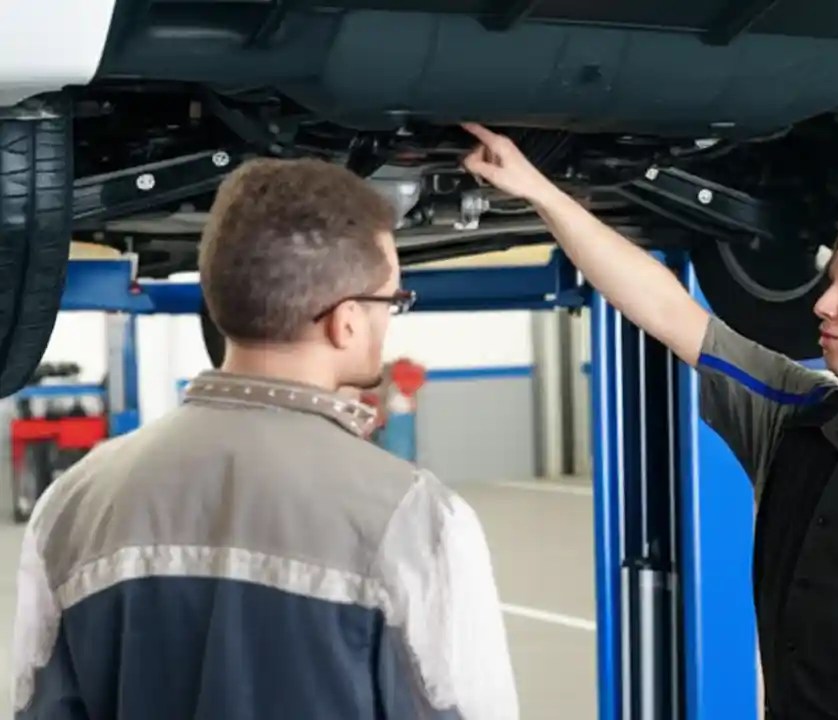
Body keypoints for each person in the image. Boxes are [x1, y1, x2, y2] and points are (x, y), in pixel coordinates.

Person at [459, 123, 838, 720]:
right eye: (830, 281)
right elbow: (666, 308)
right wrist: (539, 189)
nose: (823, 302)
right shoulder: (790, 420)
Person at [10, 158, 518, 719]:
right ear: (347, 321)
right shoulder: (415, 518)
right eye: (393, 300)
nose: (392, 317)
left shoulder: (71, 504)